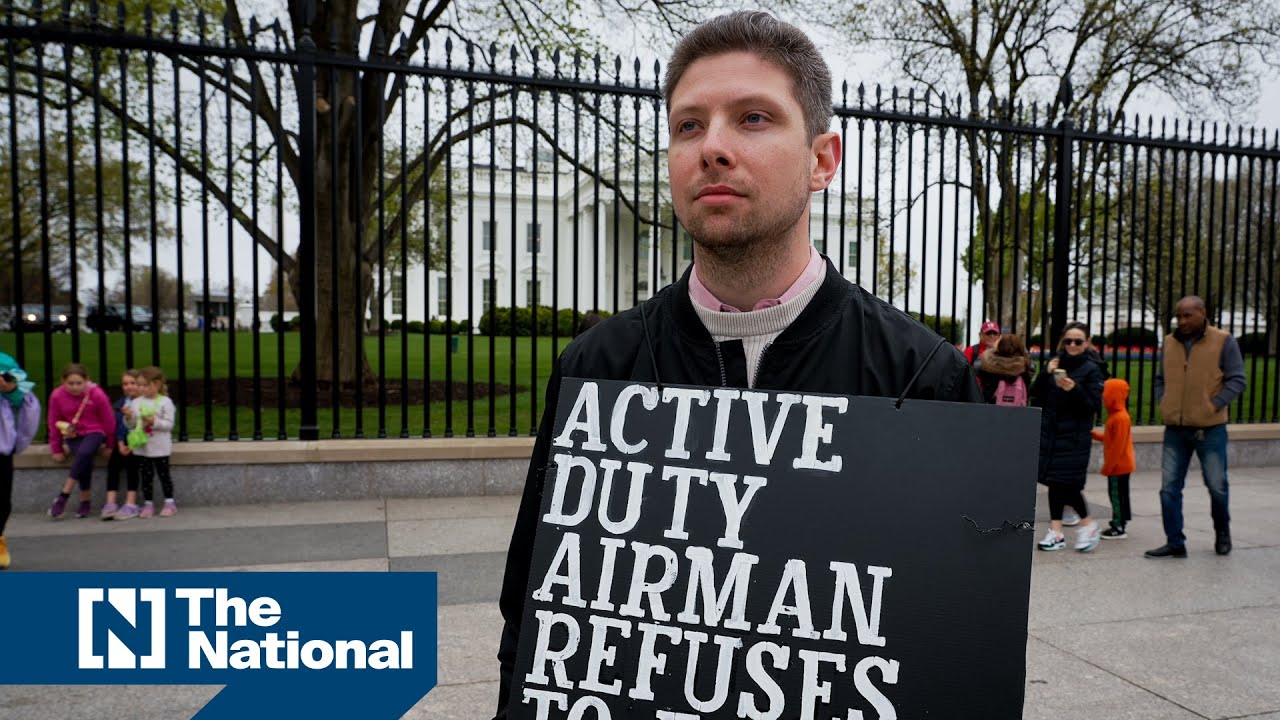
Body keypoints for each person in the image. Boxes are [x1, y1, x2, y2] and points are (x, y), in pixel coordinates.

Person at [491, 11, 983, 717]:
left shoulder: (921, 376)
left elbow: (952, 649)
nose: (711, 147)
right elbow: (537, 622)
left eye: (753, 119)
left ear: (822, 160)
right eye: (688, 126)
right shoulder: (597, 367)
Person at [1146, 296, 1246, 558]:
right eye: (1179, 316)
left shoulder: (1224, 341)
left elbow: (1237, 379)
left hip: (1210, 428)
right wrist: (1164, 402)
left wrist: (1213, 405)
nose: (1182, 321)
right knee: (1169, 488)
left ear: (1202, 313)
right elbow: (1160, 379)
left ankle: (1222, 533)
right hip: (1175, 429)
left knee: (1217, 485)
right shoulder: (1169, 342)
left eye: (1188, 315)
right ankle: (1175, 542)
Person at [1031, 321, 1105, 552]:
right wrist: (1046, 373)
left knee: (1067, 484)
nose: (1072, 345)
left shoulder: (1092, 369)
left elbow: (1092, 406)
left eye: (1078, 341)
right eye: (1068, 341)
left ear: (1087, 343)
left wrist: (1074, 389)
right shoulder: (1055, 362)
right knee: (1054, 482)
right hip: (1051, 434)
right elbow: (1036, 395)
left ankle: (1088, 524)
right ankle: (1056, 531)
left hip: (1073, 437)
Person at [47, 363, 115, 519]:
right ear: (63, 381)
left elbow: (109, 421)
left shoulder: (97, 394)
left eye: (79, 383)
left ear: (87, 380)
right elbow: (53, 421)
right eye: (70, 383)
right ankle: (85, 500)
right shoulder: (57, 395)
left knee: (84, 452)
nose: (75, 387)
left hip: (95, 431)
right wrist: (56, 448)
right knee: (84, 459)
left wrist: (110, 444)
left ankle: (63, 496)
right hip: (73, 433)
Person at [0, 352, 40, 569]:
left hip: (1, 451)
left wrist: (11, 390)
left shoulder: (5, 363)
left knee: (3, 501)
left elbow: (26, 403)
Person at [128, 366, 177, 518]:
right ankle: (148, 503)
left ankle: (169, 502)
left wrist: (153, 422)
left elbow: (169, 424)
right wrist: (129, 417)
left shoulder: (165, 402)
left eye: (144, 385)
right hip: (142, 447)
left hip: (160, 448)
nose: (141, 388)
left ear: (156, 384)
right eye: (139, 385)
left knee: (163, 475)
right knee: (146, 476)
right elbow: (131, 425)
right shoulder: (136, 402)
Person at [1091, 378, 1135, 539]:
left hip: (1118, 466)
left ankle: (1118, 525)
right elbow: (1112, 439)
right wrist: (1096, 435)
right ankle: (1121, 521)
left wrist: (1108, 467)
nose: (1103, 397)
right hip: (1120, 465)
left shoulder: (1119, 418)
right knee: (1121, 495)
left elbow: (1118, 446)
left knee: (1116, 495)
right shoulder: (1117, 416)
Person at [102, 369, 143, 521]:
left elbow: (140, 427)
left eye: (133, 383)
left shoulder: (143, 403)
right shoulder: (120, 403)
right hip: (123, 441)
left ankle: (131, 503)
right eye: (125, 384)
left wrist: (131, 446)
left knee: (132, 464)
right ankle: (110, 503)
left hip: (139, 442)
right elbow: (118, 426)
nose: (129, 387)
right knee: (113, 465)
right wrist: (119, 444)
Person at [976, 333, 1034, 405]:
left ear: (999, 349)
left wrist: (993, 348)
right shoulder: (1025, 370)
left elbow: (977, 365)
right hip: (1018, 413)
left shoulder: (988, 369)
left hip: (991, 412)